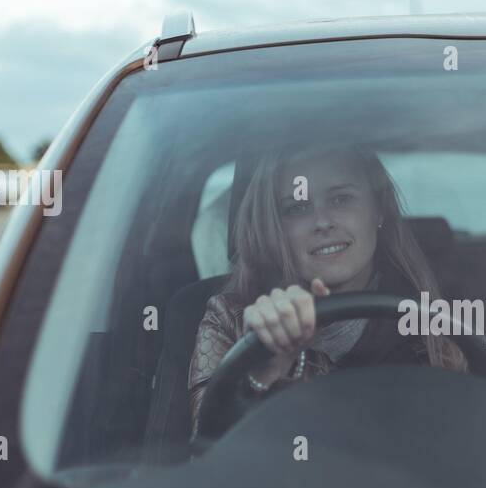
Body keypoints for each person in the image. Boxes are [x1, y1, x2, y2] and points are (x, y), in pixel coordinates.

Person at [188, 145, 465, 433]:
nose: (322, 222)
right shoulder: (229, 318)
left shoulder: (431, 318)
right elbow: (211, 460)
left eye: (341, 199)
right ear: (274, 228)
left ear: (378, 210)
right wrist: (264, 373)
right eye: (297, 207)